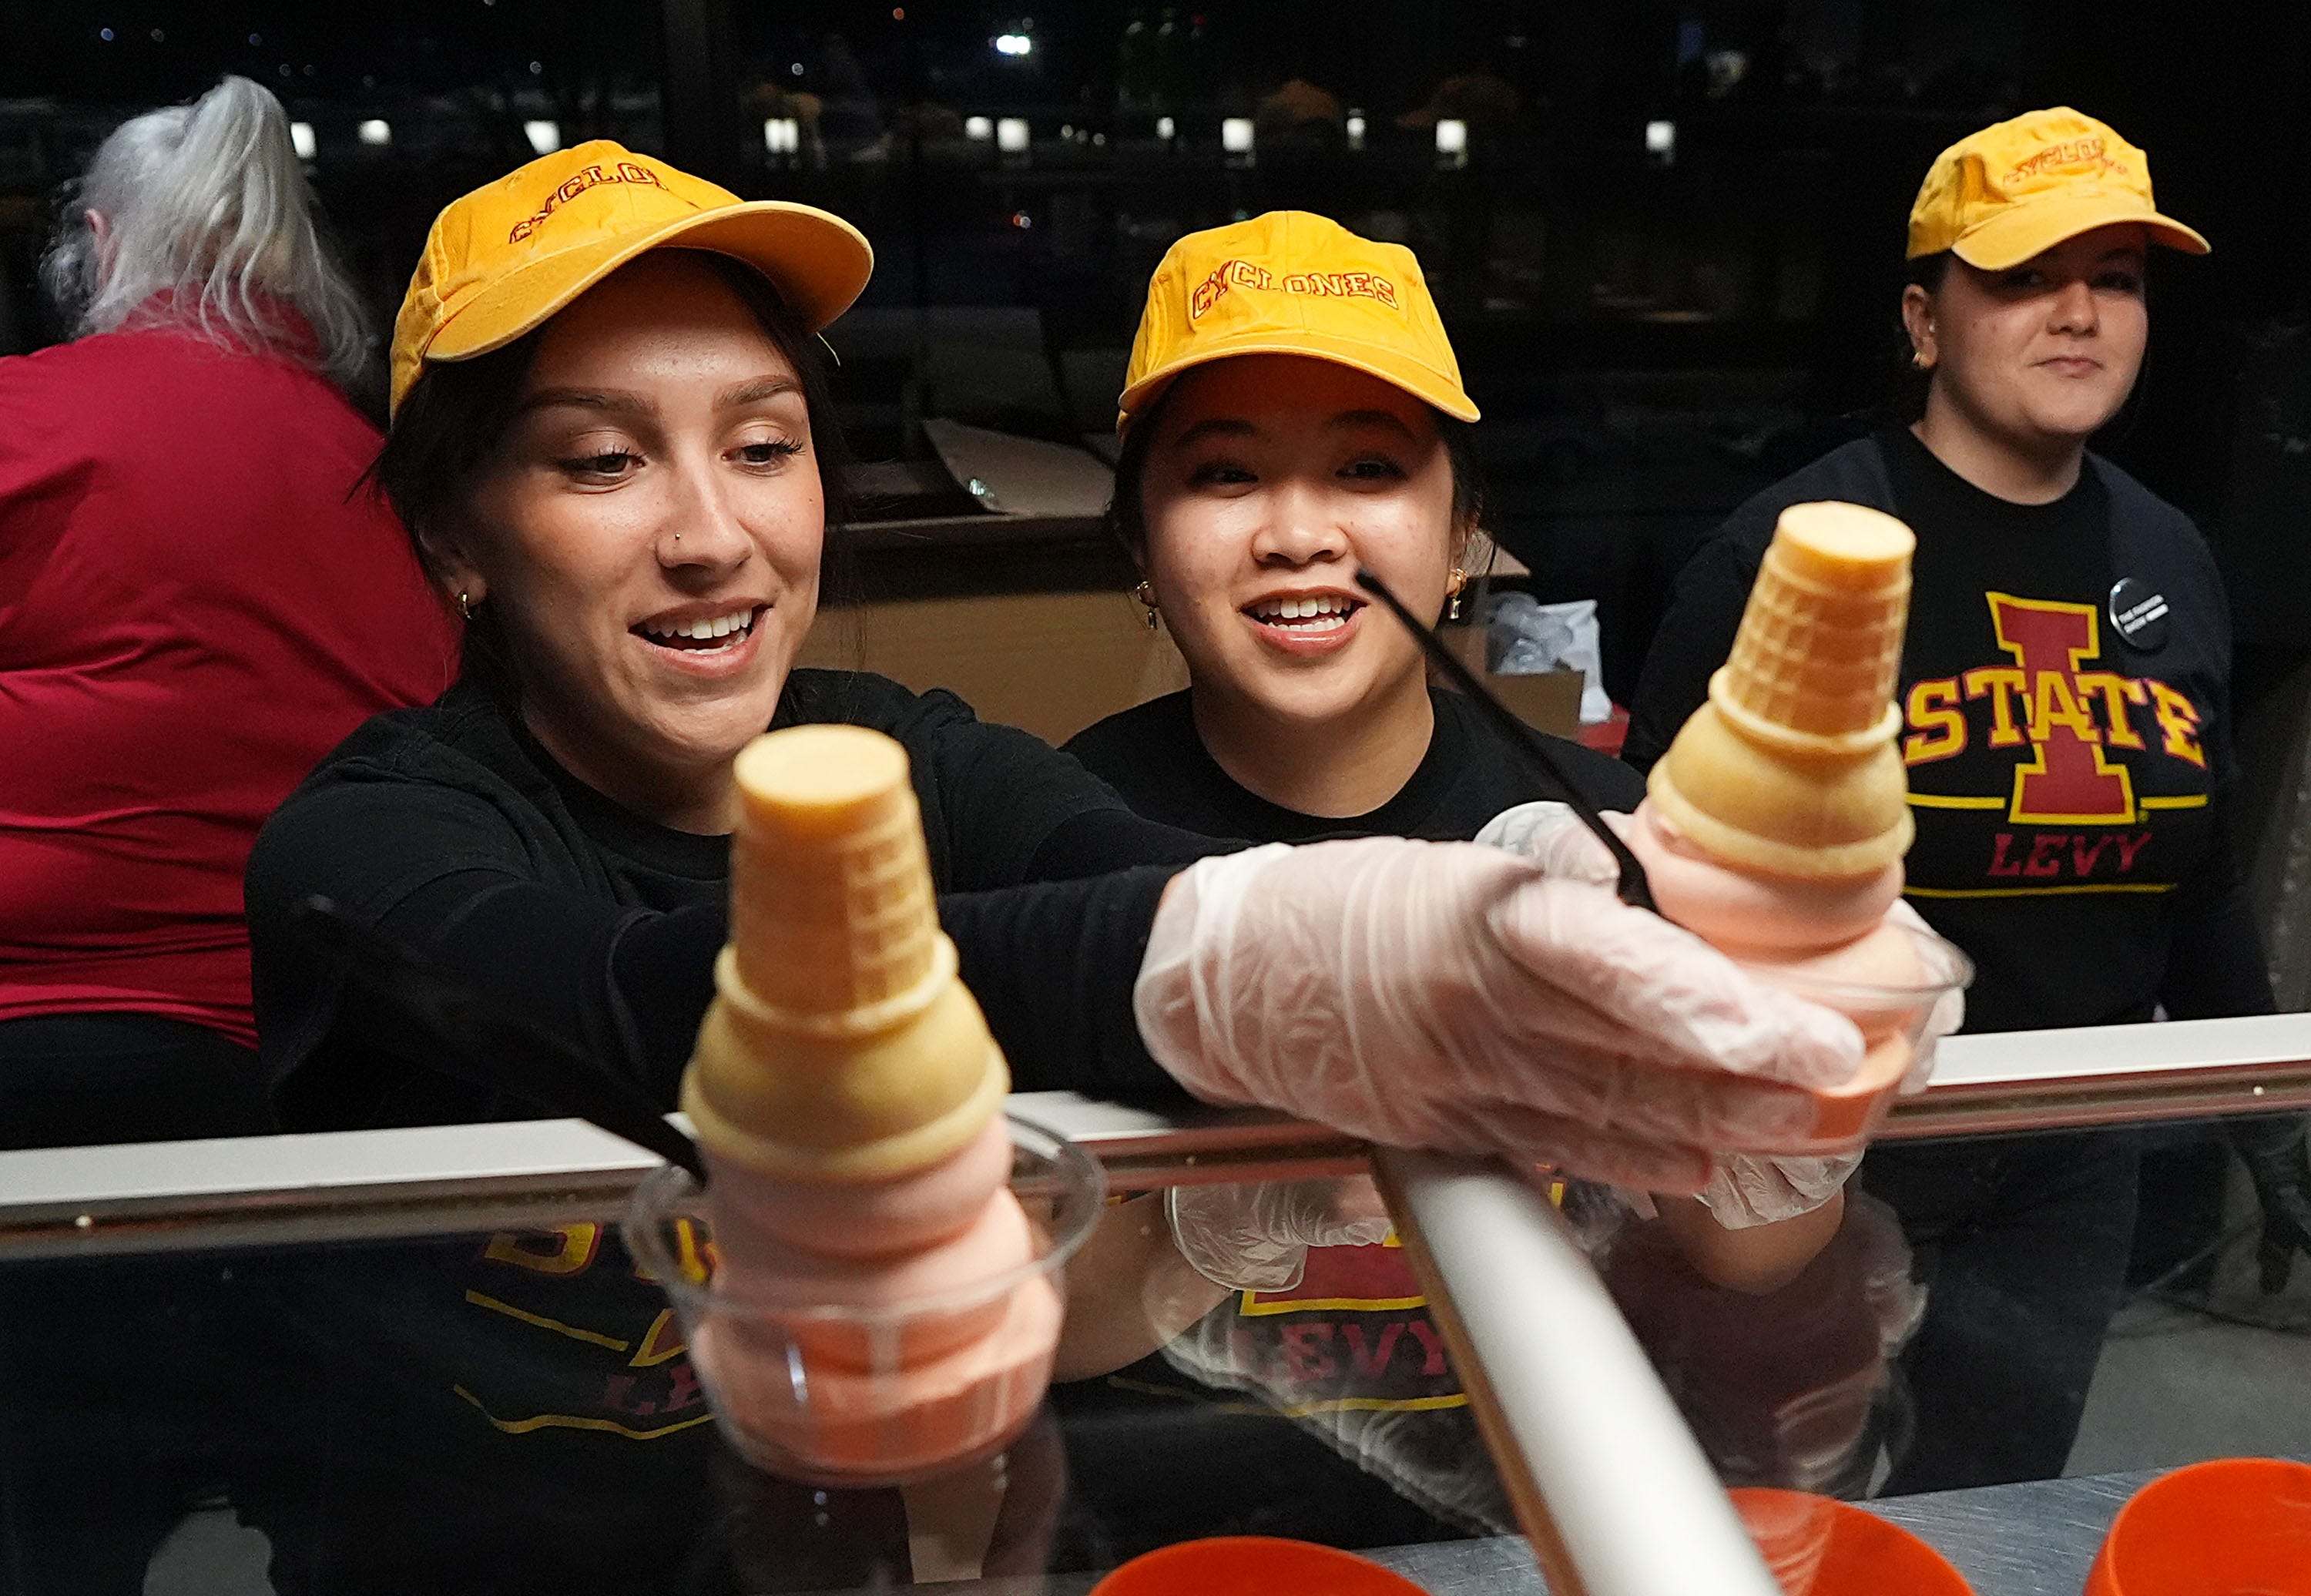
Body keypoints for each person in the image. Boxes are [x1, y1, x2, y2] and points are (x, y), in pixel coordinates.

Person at [220, 144, 1869, 1587]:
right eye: (601, 460)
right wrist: (1258, 956)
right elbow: (635, 1003)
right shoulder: (369, 847)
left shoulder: (919, 758)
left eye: (764, 445)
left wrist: (1511, 906)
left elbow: (1126, 871)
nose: (711, 535)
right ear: (455, 535)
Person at [1056, 213, 1866, 1539]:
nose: (1298, 532)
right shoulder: (1057, 838)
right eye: (1224, 474)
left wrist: (1793, 1138)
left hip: (1528, 1528)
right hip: (1161, 1531)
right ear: (1139, 546)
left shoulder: (1604, 834)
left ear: (1464, 538)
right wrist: (1224, 1214)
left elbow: (1749, 1254)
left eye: (1368, 467)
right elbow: (1033, 1320)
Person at [1624, 107, 2281, 1492]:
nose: (2079, 312)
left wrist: (2267, 1112)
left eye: (2116, 279)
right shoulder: (1797, 556)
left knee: (1988, 1516)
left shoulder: (2171, 556)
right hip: (1814, 1158)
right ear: (1924, 322)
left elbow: (2204, 874)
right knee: (1762, 1518)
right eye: (2026, 275)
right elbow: (1648, 880)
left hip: (2065, 1156)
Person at [0, 75, 458, 1152]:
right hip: (337, 1060)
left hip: (39, 1032)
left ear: (101, 245)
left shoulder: (26, 418)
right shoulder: (384, 476)